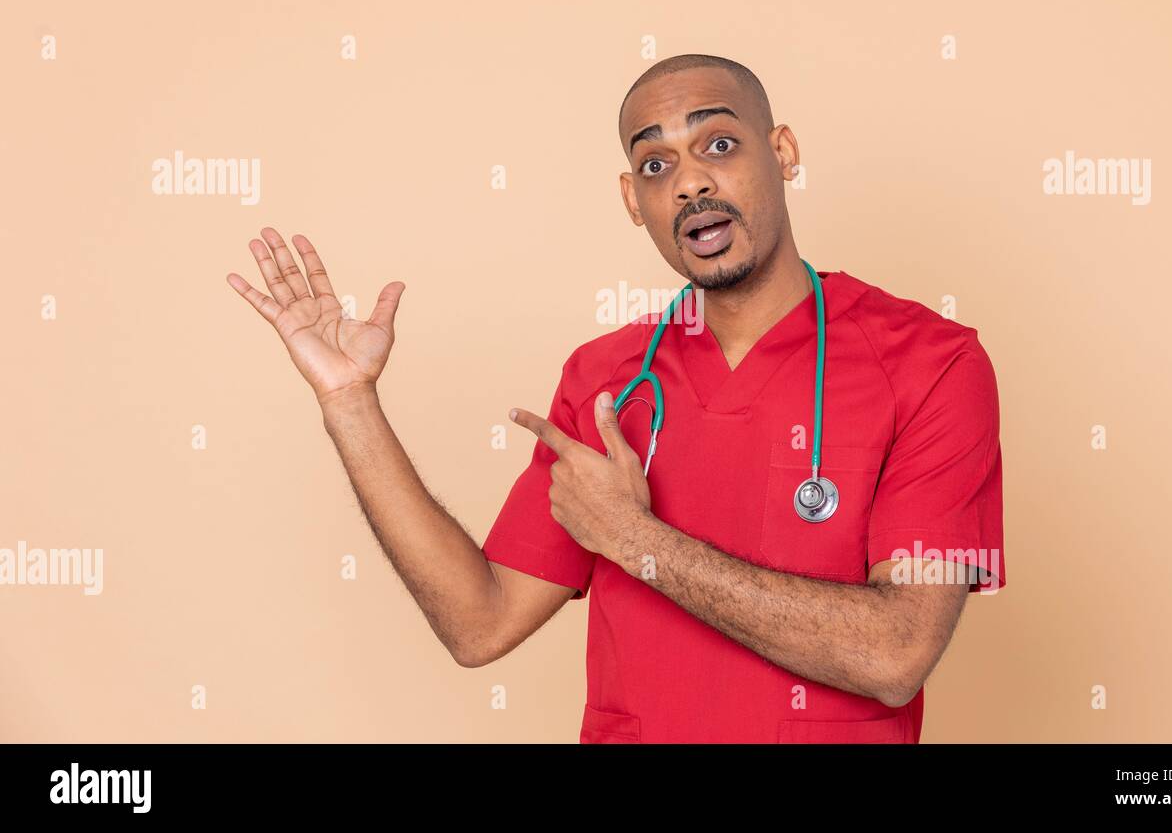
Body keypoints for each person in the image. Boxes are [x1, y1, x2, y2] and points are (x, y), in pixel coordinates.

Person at [225, 53, 1006, 743]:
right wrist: (350, 402)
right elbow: (480, 622)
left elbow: (895, 653)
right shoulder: (607, 378)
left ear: (784, 152)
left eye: (719, 145)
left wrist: (635, 541)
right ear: (635, 201)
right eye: (657, 166)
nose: (691, 180)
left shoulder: (931, 363)